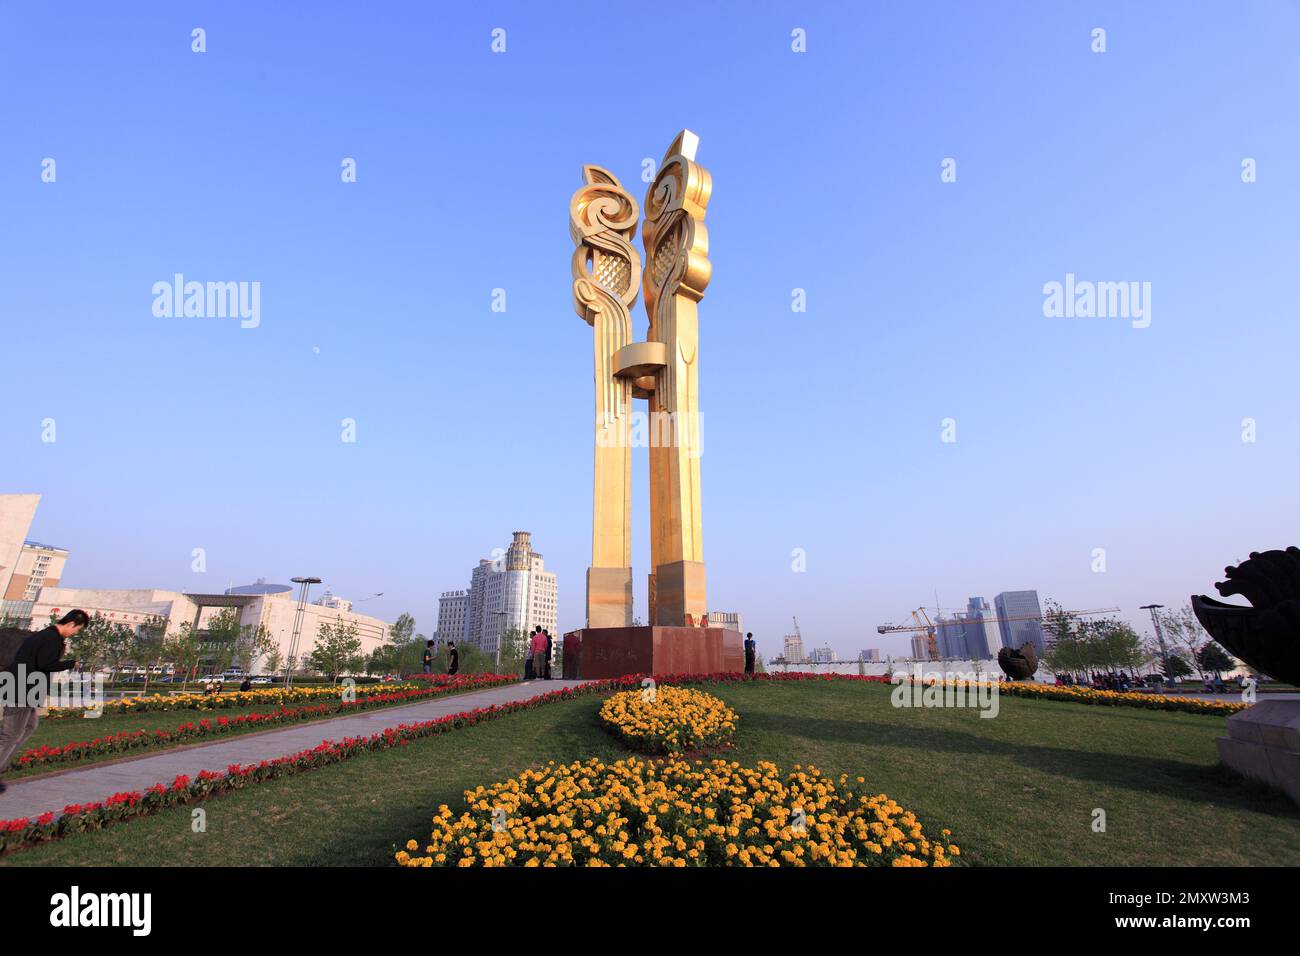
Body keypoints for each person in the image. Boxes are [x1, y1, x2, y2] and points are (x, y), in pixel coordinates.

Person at [0, 609, 86, 794]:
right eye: (76, 630)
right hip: (21, 690)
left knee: (29, 727)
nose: (74, 634)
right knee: (11, 735)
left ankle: (2, 764)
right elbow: (46, 664)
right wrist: (71, 663)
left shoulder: (46, 636)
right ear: (71, 624)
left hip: (26, 690)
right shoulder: (51, 639)